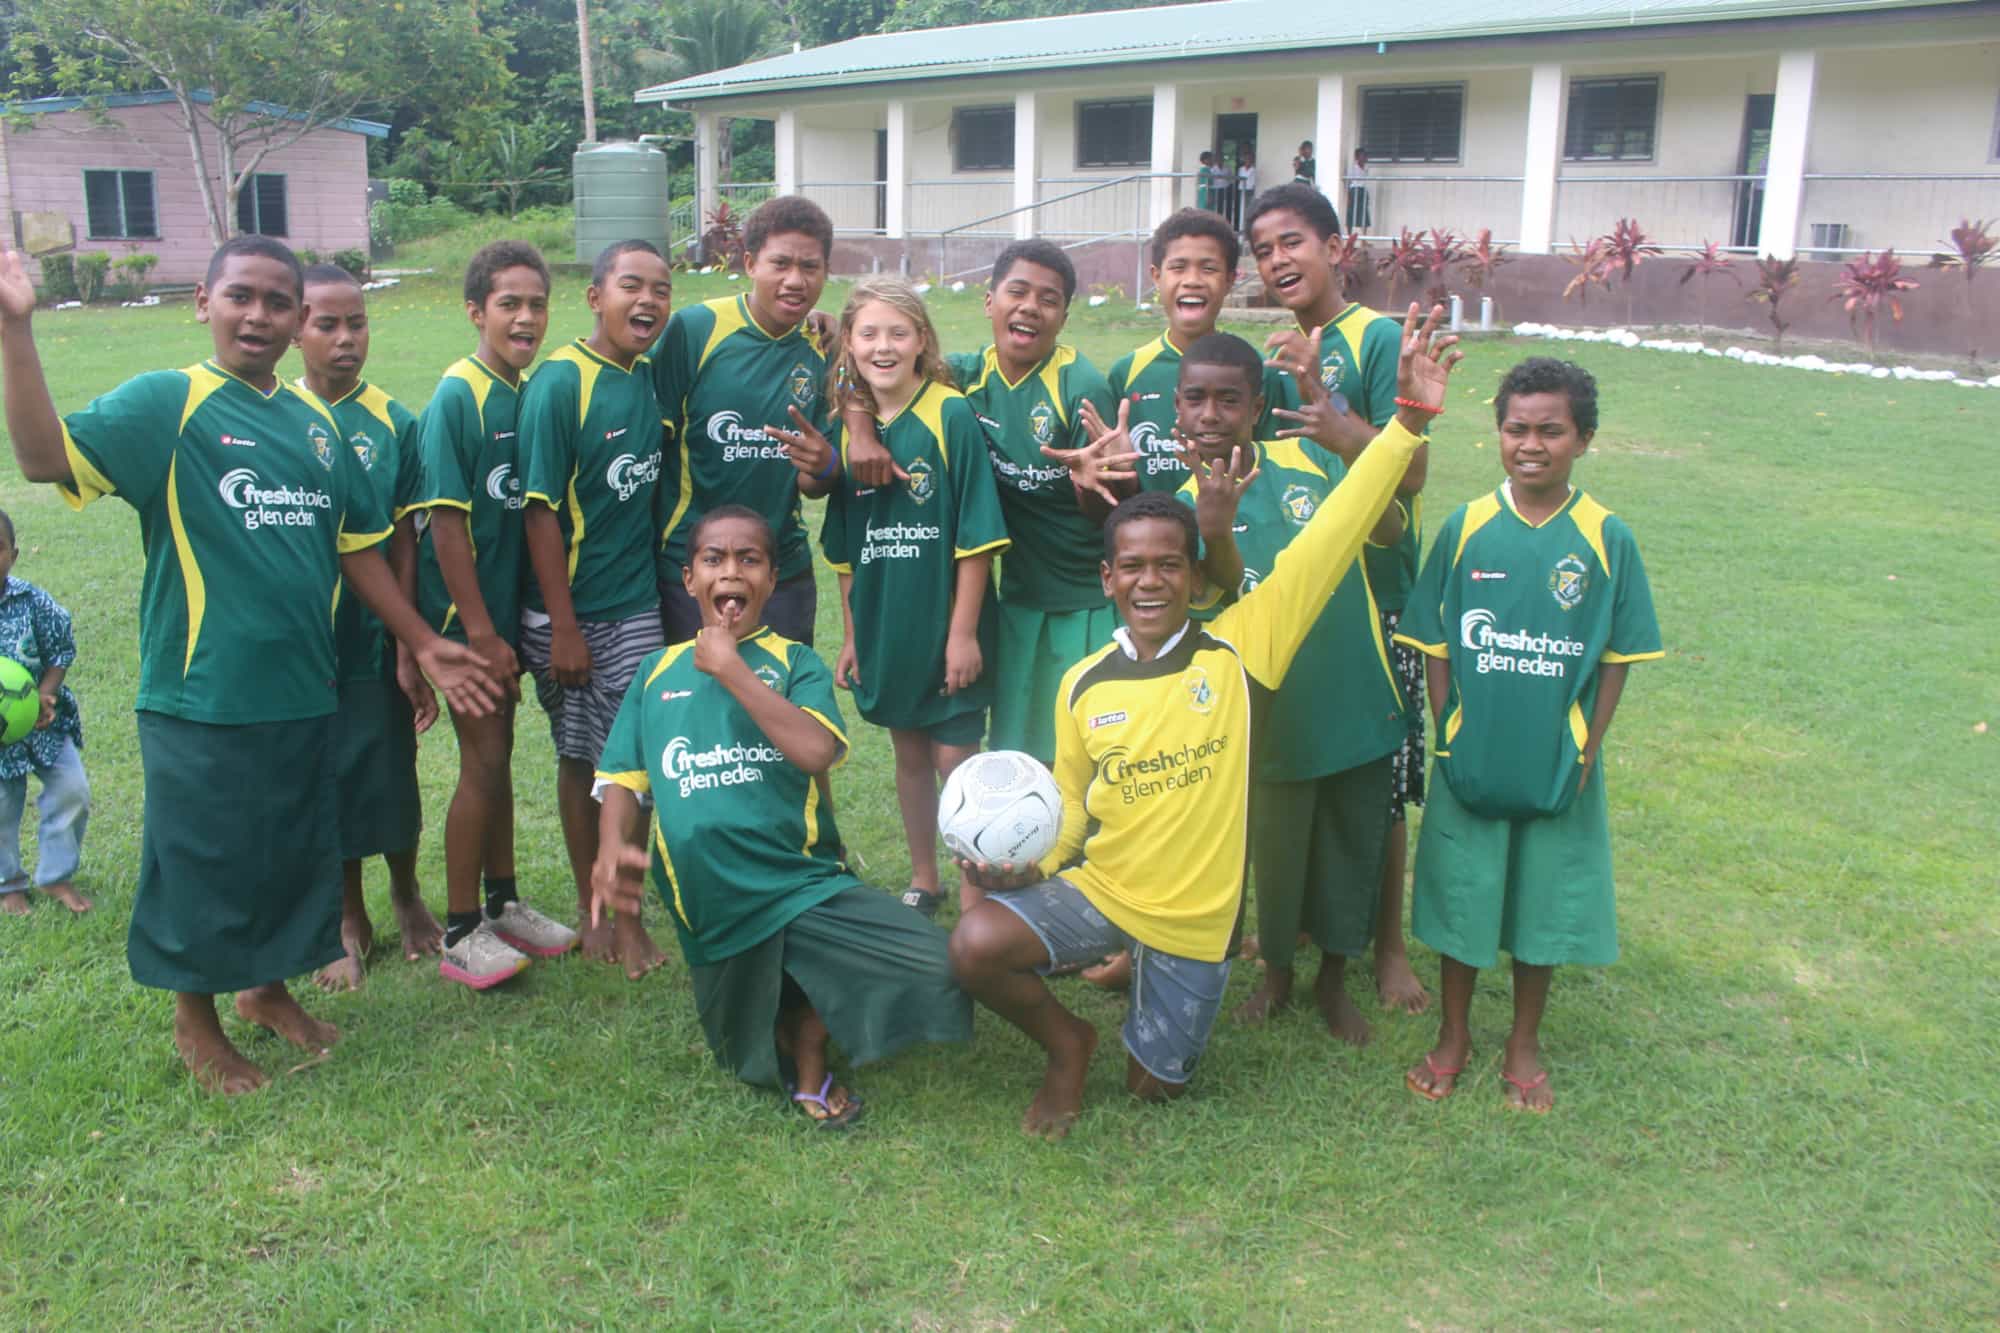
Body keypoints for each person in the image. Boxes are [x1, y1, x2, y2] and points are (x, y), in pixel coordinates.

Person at [0, 235, 506, 1093]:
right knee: (206, 857)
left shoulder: (315, 429)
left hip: (303, 686)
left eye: (279, 303)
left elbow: (360, 550)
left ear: (298, 319)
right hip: (202, 692)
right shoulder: (171, 404)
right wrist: (16, 332)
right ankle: (195, 1023)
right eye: (241, 296)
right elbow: (45, 458)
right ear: (204, 303)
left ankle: (265, 993)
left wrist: (419, 640)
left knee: (291, 845)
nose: (260, 316)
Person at [948, 304, 1459, 1139]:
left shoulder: (1240, 646)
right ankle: (1069, 1041)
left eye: (1170, 566)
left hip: (1192, 917)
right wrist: (1027, 860)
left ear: (1197, 573)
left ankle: (1155, 981)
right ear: (1107, 579)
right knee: (972, 941)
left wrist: (1409, 421)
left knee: (1157, 1087)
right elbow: (1074, 805)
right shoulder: (1084, 682)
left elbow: (1338, 528)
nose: (1152, 583)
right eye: (1134, 568)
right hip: (1104, 890)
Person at [591, 505, 972, 1126]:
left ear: (771, 578)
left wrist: (732, 669)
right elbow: (622, 782)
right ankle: (798, 1023)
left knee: (944, 967)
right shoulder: (654, 673)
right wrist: (612, 849)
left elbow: (815, 749)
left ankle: (814, 1036)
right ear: (689, 580)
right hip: (711, 900)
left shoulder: (795, 663)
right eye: (713, 560)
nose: (730, 572)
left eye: (750, 560)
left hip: (800, 882)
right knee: (744, 1050)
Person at [1396, 357, 1662, 1112]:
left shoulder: (1607, 537)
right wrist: (1447, 727)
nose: (1531, 444)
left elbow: (1615, 657)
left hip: (1558, 759)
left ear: (1585, 438)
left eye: (1552, 430)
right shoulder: (1467, 525)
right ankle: (1454, 1035)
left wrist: (1588, 746)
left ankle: (1523, 1041)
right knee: (1462, 892)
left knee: (1542, 901)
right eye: (1517, 428)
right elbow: (1437, 638)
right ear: (1498, 434)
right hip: (1470, 751)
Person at [1166, 334, 1409, 1044]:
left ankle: (1334, 977)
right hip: (1265, 708)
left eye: (1229, 399)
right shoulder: (1178, 501)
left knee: (1350, 837)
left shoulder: (1313, 458)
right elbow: (1219, 599)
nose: (1211, 414)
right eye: (1196, 398)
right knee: (1274, 848)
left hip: (1352, 685)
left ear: (1258, 406)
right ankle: (1275, 979)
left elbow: (1388, 531)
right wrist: (1213, 530)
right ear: (1177, 406)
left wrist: (1354, 446)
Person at [1249, 181, 1434, 1013]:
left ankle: (1385, 945)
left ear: (1335, 247)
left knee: (1378, 776)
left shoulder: (1381, 338)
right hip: (1306, 592)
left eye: (1292, 241)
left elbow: (1415, 466)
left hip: (1381, 586)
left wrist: (1349, 433)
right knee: (1299, 758)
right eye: (1262, 250)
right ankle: (1290, 928)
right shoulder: (1279, 353)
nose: (1277, 259)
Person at [846, 241, 1123, 782]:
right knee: (1022, 758)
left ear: (1065, 316)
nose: (1029, 307)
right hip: (1017, 599)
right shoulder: (964, 378)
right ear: (989, 301)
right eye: (1016, 292)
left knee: (1085, 754)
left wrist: (1088, 486)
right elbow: (864, 375)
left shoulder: (1080, 386)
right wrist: (858, 428)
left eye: (1049, 299)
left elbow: (1118, 515)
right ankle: (1028, 864)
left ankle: (1090, 866)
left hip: (1085, 599)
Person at [410, 240, 579, 990]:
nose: (526, 316)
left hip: (504, 618)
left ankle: (503, 901)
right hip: (462, 619)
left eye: (536, 303)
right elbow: (445, 525)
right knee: (480, 763)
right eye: (509, 303)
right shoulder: (459, 395)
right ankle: (458, 928)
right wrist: (476, 631)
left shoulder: (525, 390)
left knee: (500, 758)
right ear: (476, 310)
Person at [819, 277, 1009, 916]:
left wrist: (963, 634)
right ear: (849, 342)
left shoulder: (948, 412)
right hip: (884, 624)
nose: (883, 346)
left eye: (898, 332)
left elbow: (977, 536)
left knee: (956, 755)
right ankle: (926, 878)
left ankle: (978, 892)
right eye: (869, 333)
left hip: (947, 620)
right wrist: (850, 634)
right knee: (908, 752)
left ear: (922, 340)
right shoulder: (851, 433)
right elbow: (844, 553)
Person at [520, 239, 674, 980]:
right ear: (596, 295)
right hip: (573, 617)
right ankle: (601, 914)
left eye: (661, 289)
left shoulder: (644, 378)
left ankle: (626, 910)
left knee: (632, 766)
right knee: (582, 759)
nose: (647, 301)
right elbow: (540, 512)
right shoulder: (559, 384)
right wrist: (566, 626)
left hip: (636, 602)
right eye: (631, 286)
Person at [293, 263, 439, 989]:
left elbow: (407, 533)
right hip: (309, 641)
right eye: (328, 324)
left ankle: (407, 892)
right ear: (296, 328)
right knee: (331, 773)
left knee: (391, 771)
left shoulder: (394, 421)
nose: (346, 339)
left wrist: (410, 639)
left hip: (378, 632)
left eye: (358, 323)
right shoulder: (278, 416)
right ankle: (349, 914)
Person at [650, 195, 840, 647]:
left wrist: (826, 464)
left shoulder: (825, 348)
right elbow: (651, 443)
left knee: (780, 711)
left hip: (782, 571)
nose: (795, 280)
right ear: (751, 263)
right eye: (780, 264)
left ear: (826, 273)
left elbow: (821, 481)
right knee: (694, 708)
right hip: (692, 570)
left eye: (810, 267)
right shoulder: (695, 330)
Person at [1106, 208, 1299, 493]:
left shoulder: (1256, 371)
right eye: (1178, 267)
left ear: (1231, 280)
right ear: (1156, 276)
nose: (1193, 280)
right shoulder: (1126, 374)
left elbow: (1272, 471)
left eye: (1208, 268)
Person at [0, 508, 91, 916]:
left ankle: (56, 873)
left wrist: (46, 695)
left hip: (44, 724)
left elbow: (60, 650)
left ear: (14, 554)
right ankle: (8, 883)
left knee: (72, 789)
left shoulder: (33, 601)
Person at [1346, 148, 1372, 235]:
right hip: (1355, 191)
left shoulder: (1366, 168)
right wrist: (1349, 196)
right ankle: (1349, 236)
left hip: (1363, 190)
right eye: (1361, 156)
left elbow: (1364, 181)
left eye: (1365, 156)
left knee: (1364, 215)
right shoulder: (1353, 168)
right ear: (1357, 157)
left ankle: (1364, 239)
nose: (1364, 158)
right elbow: (1349, 182)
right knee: (1351, 213)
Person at [1236, 149, 1257, 228]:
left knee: (1249, 209)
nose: (1248, 160)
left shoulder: (1254, 169)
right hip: (1242, 190)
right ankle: (1241, 227)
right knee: (1241, 209)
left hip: (1250, 190)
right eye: (1246, 158)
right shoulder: (1240, 169)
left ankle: (1246, 227)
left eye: (1250, 158)